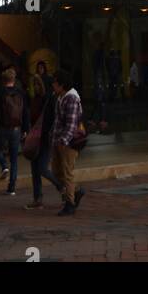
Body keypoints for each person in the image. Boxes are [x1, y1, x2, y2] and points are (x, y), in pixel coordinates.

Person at [0, 66, 29, 196]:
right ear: (14, 79)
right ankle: (12, 188)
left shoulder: (0, 93)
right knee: (15, 159)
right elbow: (25, 112)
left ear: (3, 80)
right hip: (16, 129)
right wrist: (26, 129)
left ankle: (4, 166)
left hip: (3, 127)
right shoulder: (21, 93)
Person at [24, 65, 62, 209]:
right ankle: (37, 198)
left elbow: (53, 120)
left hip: (45, 139)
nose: (36, 87)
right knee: (35, 170)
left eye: (38, 84)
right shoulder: (33, 100)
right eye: (34, 84)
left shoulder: (49, 100)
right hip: (35, 138)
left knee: (42, 168)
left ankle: (61, 186)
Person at [50, 69, 86, 216]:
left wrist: (63, 141)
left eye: (55, 82)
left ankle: (70, 203)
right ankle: (76, 191)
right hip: (59, 140)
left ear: (61, 84)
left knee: (67, 172)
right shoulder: (60, 97)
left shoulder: (71, 98)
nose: (52, 85)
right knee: (57, 172)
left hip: (68, 142)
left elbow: (71, 124)